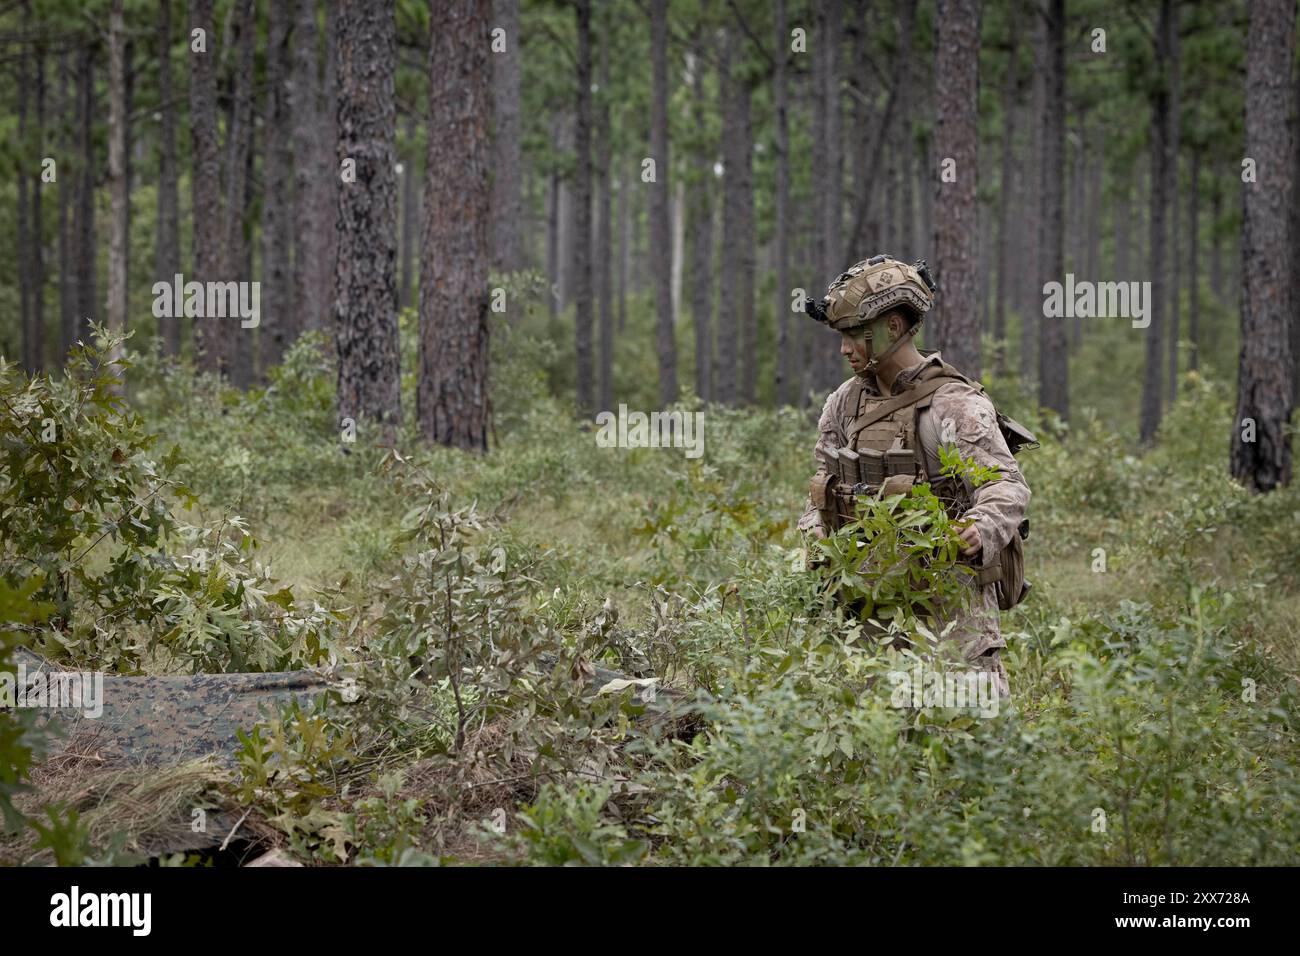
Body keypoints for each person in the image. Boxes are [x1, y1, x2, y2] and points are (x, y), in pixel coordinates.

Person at [798, 254, 1031, 697]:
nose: (845, 349)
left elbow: (1006, 485)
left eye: (853, 335)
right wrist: (815, 544)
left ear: (892, 326)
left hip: (952, 612)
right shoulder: (843, 405)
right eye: (841, 337)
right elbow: (821, 487)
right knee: (878, 746)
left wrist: (980, 528)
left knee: (970, 742)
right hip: (871, 612)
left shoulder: (953, 405)